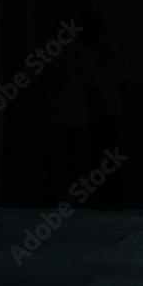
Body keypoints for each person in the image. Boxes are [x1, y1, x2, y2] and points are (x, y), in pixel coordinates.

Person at [41, 14, 99, 205]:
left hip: (54, 118)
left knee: (57, 163)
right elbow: (93, 88)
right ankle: (80, 199)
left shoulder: (46, 56)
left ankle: (58, 198)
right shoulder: (83, 55)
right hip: (79, 117)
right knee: (79, 163)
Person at [80, 11, 133, 208]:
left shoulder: (109, 49)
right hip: (88, 113)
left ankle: (111, 199)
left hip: (107, 113)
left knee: (107, 157)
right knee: (94, 157)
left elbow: (125, 79)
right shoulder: (84, 51)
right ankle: (98, 199)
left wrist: (115, 105)